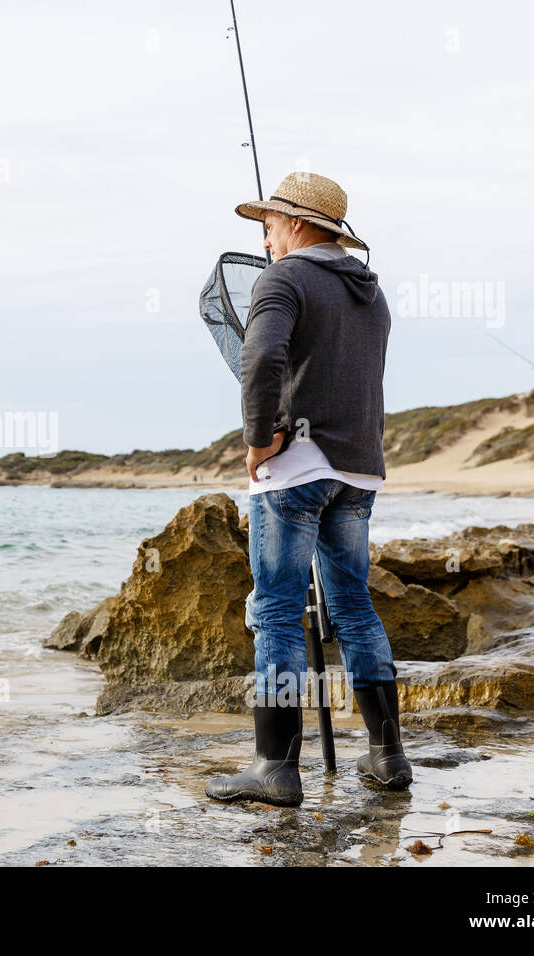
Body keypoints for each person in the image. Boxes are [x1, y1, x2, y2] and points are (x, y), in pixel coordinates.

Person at [205, 172, 411, 807]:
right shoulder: (370, 294)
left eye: (268, 224)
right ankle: (387, 757)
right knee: (353, 604)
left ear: (297, 223)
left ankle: (275, 767)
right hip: (358, 471)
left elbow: (260, 359)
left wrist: (258, 438)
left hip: (297, 467)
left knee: (275, 610)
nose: (264, 237)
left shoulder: (286, 277)